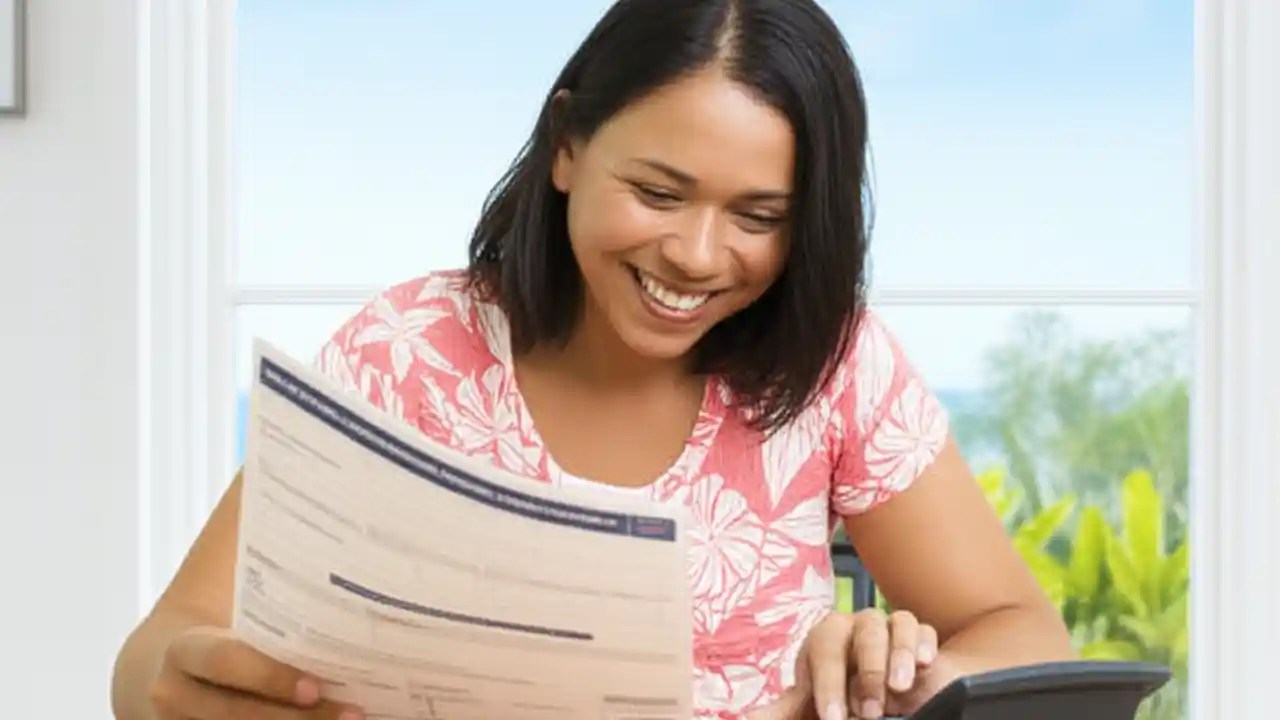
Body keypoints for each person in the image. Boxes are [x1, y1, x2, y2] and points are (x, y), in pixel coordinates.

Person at [111, 0, 1075, 718]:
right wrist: (190, 681)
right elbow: (152, 655)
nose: (697, 256)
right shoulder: (410, 353)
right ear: (568, 146)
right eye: (658, 193)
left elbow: (1025, 634)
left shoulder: (835, 366)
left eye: (758, 217)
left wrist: (896, 680)